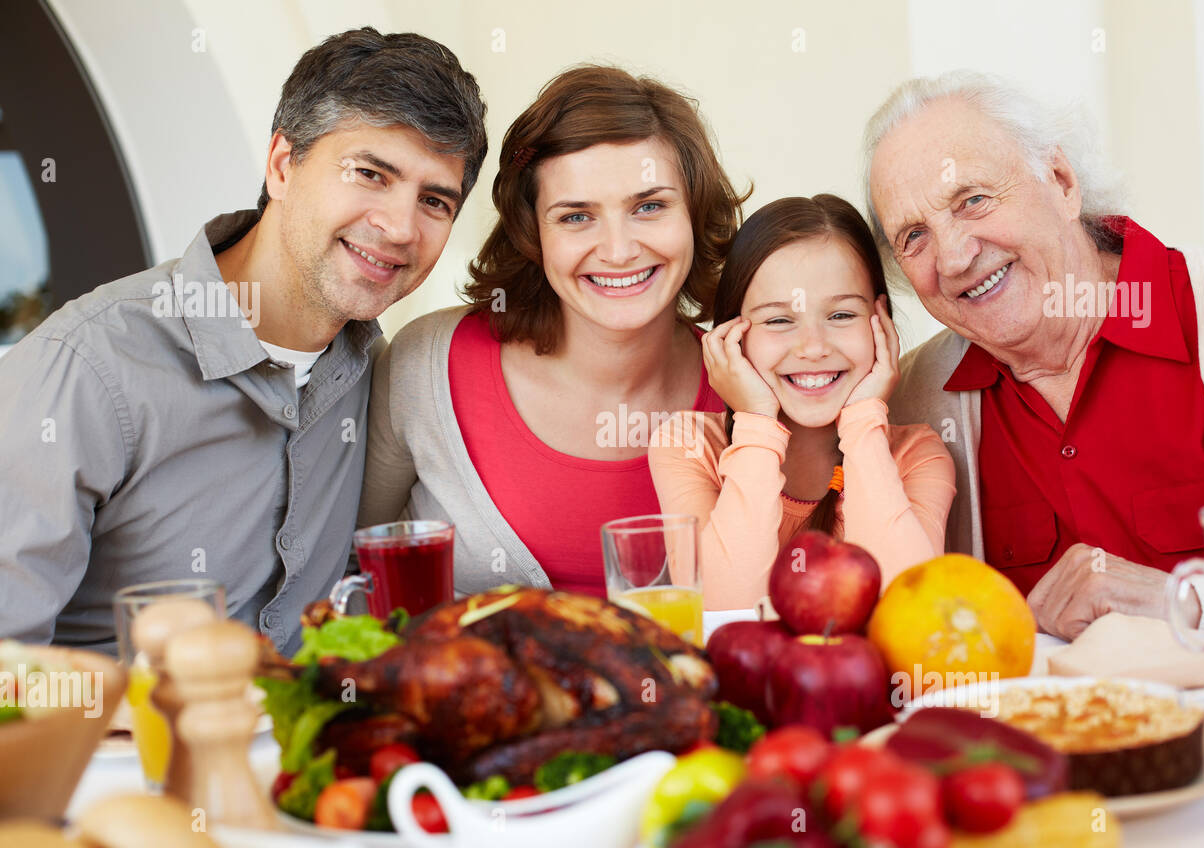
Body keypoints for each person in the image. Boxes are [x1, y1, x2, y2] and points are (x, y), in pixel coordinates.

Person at [0, 28, 488, 653]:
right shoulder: (88, 367)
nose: (398, 227)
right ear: (283, 165)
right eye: (369, 173)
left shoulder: (382, 376)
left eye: (435, 202)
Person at [867, 70, 1204, 639]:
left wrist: (1191, 602)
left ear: (1062, 181)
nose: (952, 258)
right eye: (913, 236)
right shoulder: (918, 402)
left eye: (972, 200)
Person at [359, 66, 747, 597]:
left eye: (649, 206)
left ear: (695, 216)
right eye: (575, 217)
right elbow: (350, 579)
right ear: (532, 234)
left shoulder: (751, 393)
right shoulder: (425, 366)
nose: (617, 249)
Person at [648, 195, 956, 610]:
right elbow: (722, 613)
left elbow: (909, 608)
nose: (813, 348)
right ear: (732, 337)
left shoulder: (916, 455)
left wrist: (864, 423)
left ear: (881, 325)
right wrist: (756, 423)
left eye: (842, 315)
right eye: (778, 320)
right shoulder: (687, 445)